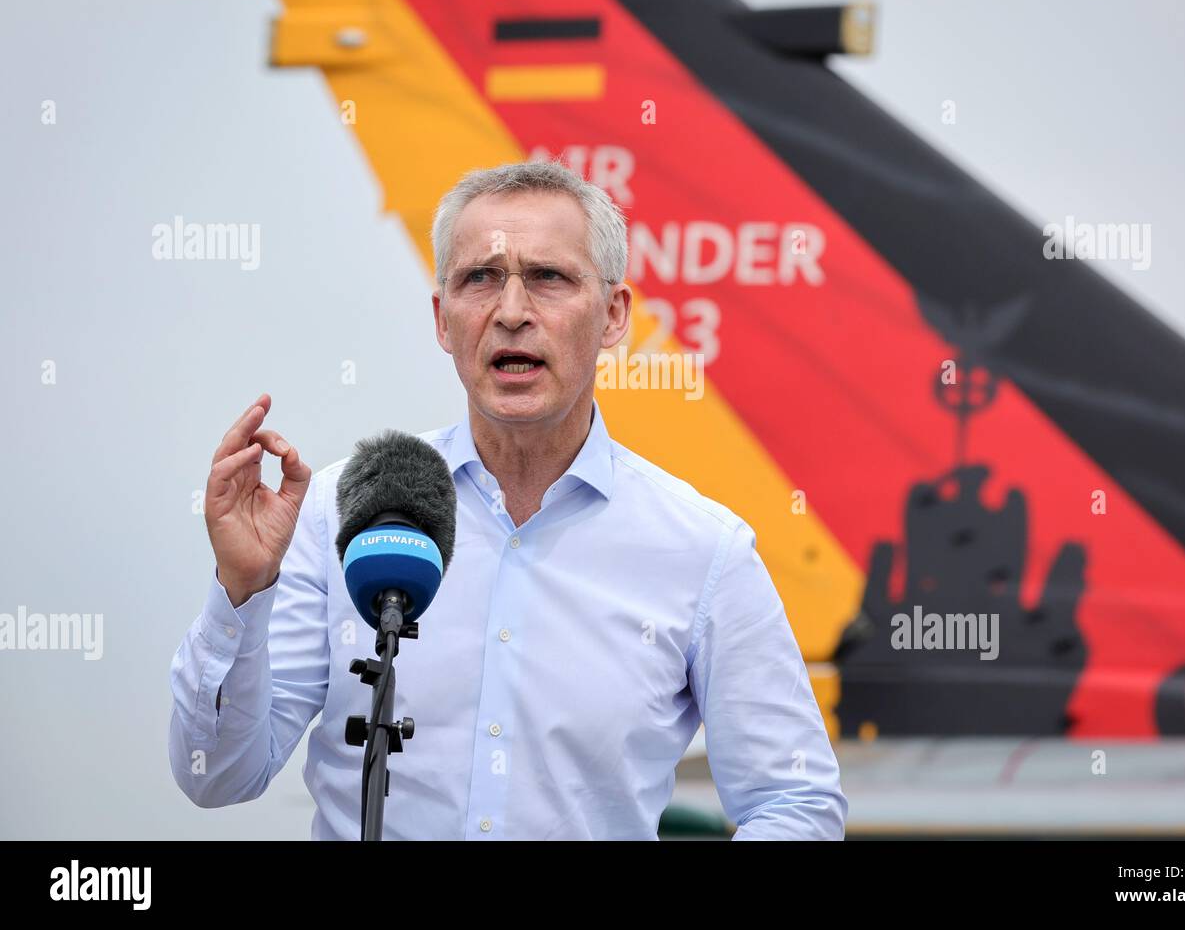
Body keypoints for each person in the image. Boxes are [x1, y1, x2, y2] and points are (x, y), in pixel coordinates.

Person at [168, 160, 847, 840]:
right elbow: (217, 774)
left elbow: (796, 803)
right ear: (442, 319)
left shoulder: (703, 551)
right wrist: (242, 589)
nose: (513, 312)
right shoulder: (344, 510)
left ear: (614, 316)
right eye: (479, 279)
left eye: (549, 278)